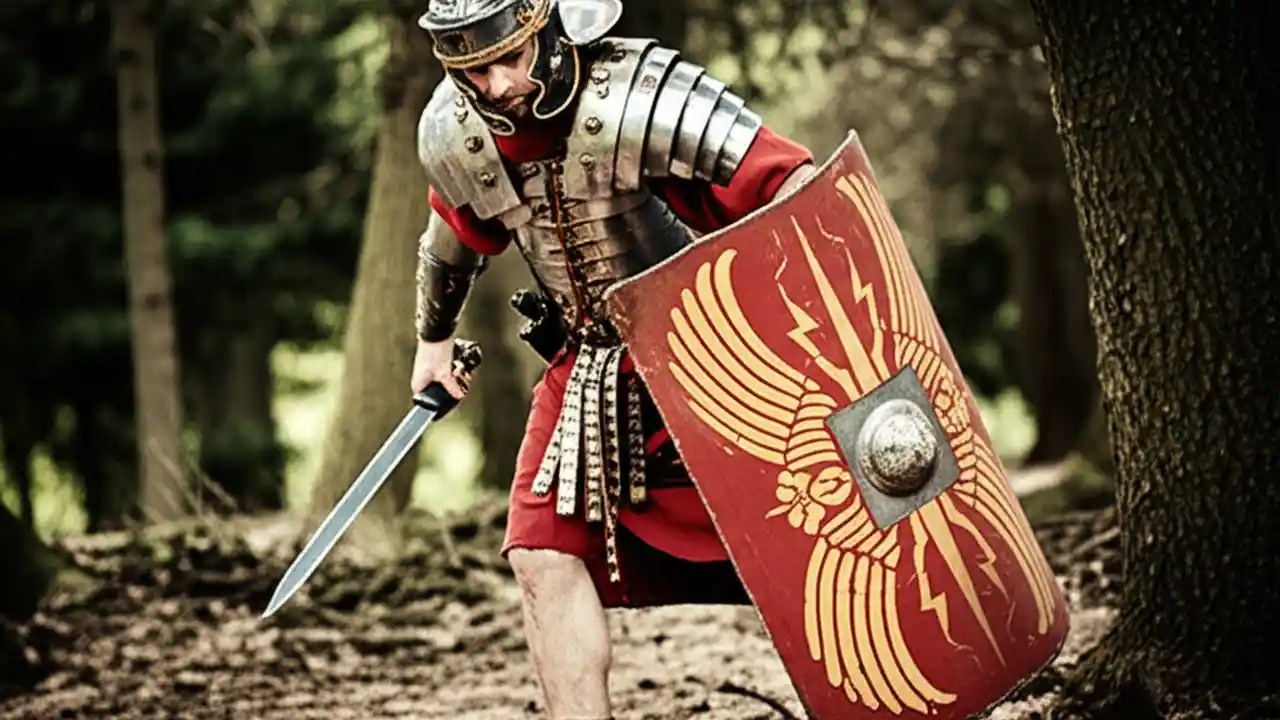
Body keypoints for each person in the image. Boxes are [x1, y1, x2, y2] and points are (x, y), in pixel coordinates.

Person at [409, 1, 816, 717]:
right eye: (474, 69)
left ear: (552, 30)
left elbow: (789, 185)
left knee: (813, 539)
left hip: (711, 362)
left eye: (511, 58)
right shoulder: (458, 129)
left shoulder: (638, 91)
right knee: (539, 552)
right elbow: (454, 228)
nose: (499, 85)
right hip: (589, 369)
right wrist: (433, 340)